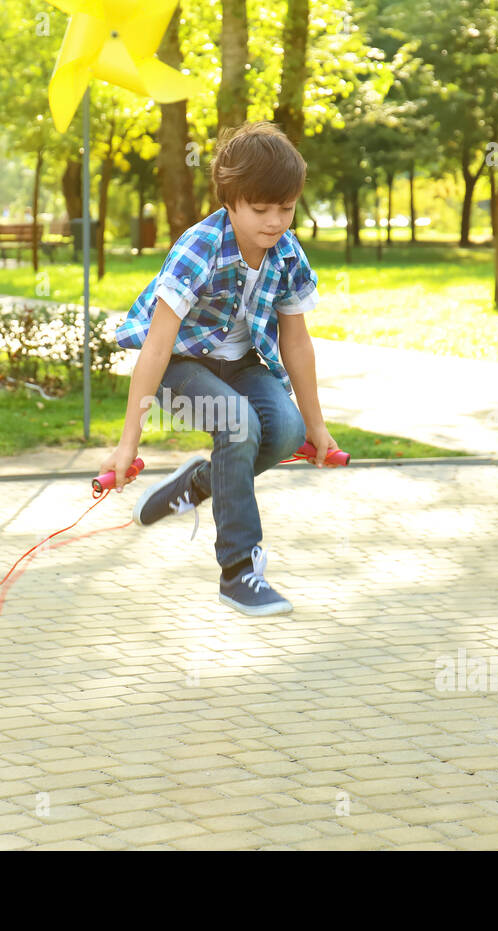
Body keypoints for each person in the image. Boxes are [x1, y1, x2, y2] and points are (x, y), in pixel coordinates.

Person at [98, 121, 341, 616]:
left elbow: (296, 342)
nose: (275, 222)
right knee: (237, 424)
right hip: (179, 366)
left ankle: (199, 484)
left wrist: (317, 428)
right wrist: (129, 442)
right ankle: (239, 572)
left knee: (284, 430)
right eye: (261, 208)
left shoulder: (288, 252)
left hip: (240, 363)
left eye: (287, 208)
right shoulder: (199, 248)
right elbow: (158, 345)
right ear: (230, 201)